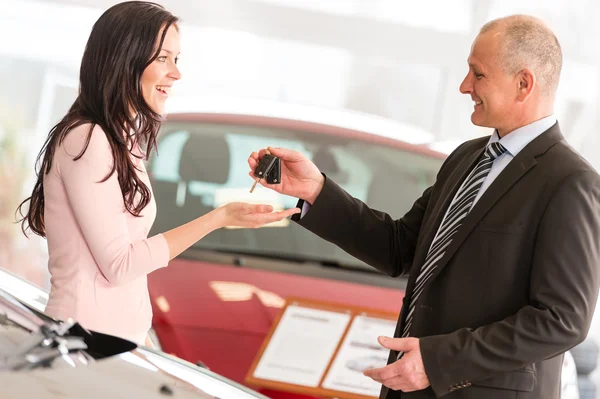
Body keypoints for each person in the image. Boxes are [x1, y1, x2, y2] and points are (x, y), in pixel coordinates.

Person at [248, 14, 600, 399]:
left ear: (523, 83)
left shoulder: (570, 182)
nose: (465, 86)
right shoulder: (466, 158)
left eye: (477, 74)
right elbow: (399, 247)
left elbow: (562, 321)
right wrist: (317, 190)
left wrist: (437, 360)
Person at [17, 1, 299, 347]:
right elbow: (120, 265)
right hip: (84, 344)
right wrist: (219, 218)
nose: (176, 74)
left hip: (118, 344)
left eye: (176, 60)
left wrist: (145, 344)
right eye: (163, 58)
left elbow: (125, 277)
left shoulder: (122, 140)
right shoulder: (87, 139)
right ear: (125, 58)